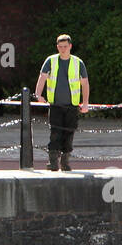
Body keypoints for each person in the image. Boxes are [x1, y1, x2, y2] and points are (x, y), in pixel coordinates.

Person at [34, 33, 90, 172]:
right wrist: (38, 94)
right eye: (60, 46)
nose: (63, 49)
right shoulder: (51, 61)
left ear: (70, 46)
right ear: (57, 47)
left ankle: (65, 162)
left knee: (69, 134)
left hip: (72, 106)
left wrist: (85, 103)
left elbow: (85, 83)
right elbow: (43, 77)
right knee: (55, 133)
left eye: (65, 46)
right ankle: (53, 162)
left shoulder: (78, 62)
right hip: (56, 105)